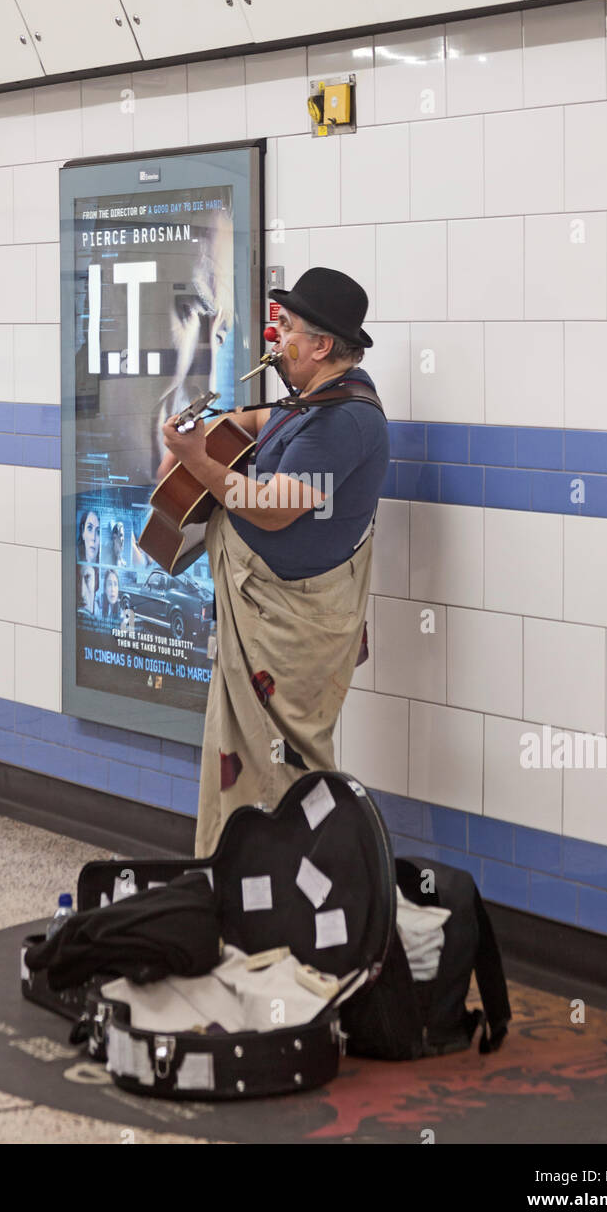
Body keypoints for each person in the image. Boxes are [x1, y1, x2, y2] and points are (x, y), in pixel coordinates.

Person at [157, 267, 389, 857]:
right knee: (247, 755)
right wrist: (213, 430)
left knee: (284, 761)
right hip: (260, 612)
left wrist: (198, 461)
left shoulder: (344, 421)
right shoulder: (305, 401)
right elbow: (258, 423)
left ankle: (293, 887)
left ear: (322, 346)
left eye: (286, 327)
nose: (273, 337)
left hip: (289, 625)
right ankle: (238, 877)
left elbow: (270, 509)